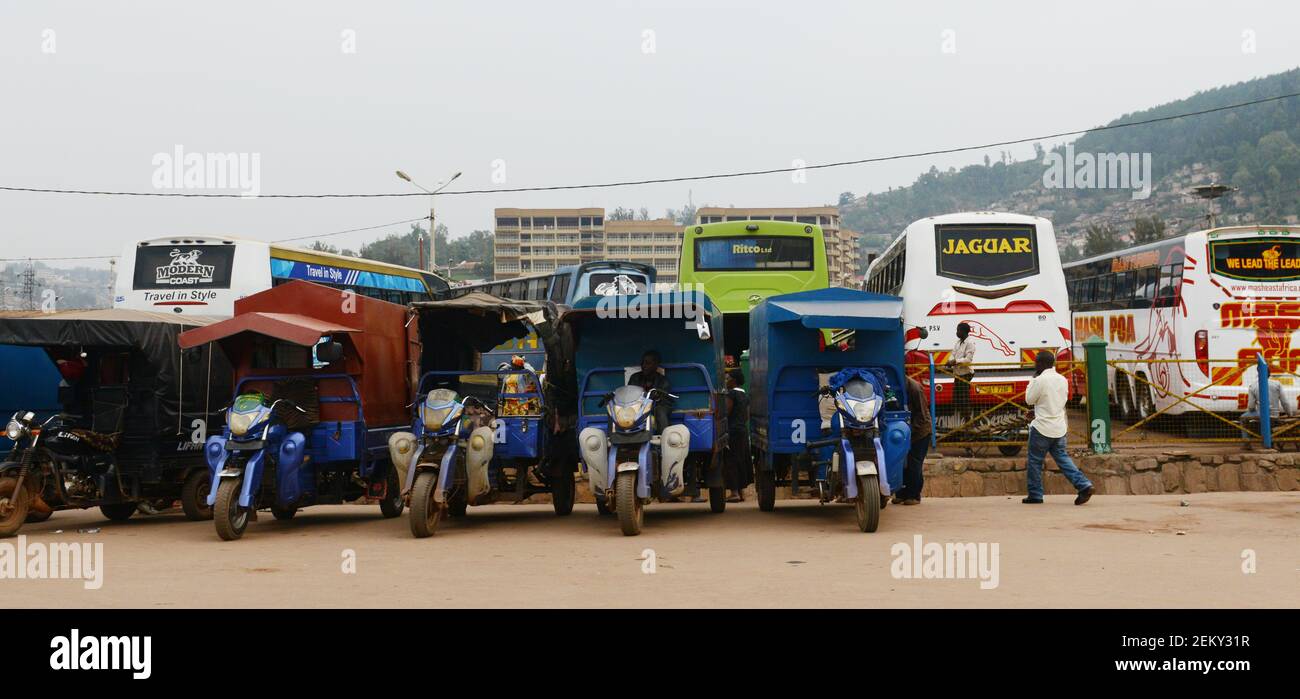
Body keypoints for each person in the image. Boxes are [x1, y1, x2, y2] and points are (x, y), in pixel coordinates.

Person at [1022, 350, 1093, 505]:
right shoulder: (1062, 379)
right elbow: (1056, 402)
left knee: (1035, 461)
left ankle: (1035, 495)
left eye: (1036, 362)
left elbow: (1029, 399)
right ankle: (1084, 485)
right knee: (1062, 458)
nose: (1034, 364)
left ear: (1040, 363)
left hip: (1041, 428)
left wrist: (1033, 380)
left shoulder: (1040, 380)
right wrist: (1037, 410)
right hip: (1059, 428)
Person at [893, 376, 931, 505]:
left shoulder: (915, 388)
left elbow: (922, 415)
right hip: (902, 432)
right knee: (900, 462)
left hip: (919, 433)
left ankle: (914, 495)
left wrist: (910, 431)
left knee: (914, 463)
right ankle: (901, 494)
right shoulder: (893, 386)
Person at [723, 369, 752, 503]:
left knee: (731, 460)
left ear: (733, 381)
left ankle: (734, 492)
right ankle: (741, 492)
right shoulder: (744, 395)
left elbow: (726, 412)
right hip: (742, 431)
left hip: (732, 431)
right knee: (741, 459)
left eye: (727, 378)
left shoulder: (731, 394)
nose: (726, 380)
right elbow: (746, 416)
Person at [946, 322, 977, 427]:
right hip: (958, 374)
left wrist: (954, 362)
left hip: (966, 374)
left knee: (964, 399)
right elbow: (952, 355)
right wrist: (950, 361)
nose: (957, 332)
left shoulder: (970, 343)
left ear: (963, 331)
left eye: (958, 330)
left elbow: (968, 360)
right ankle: (964, 420)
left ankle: (969, 422)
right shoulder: (958, 343)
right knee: (957, 398)